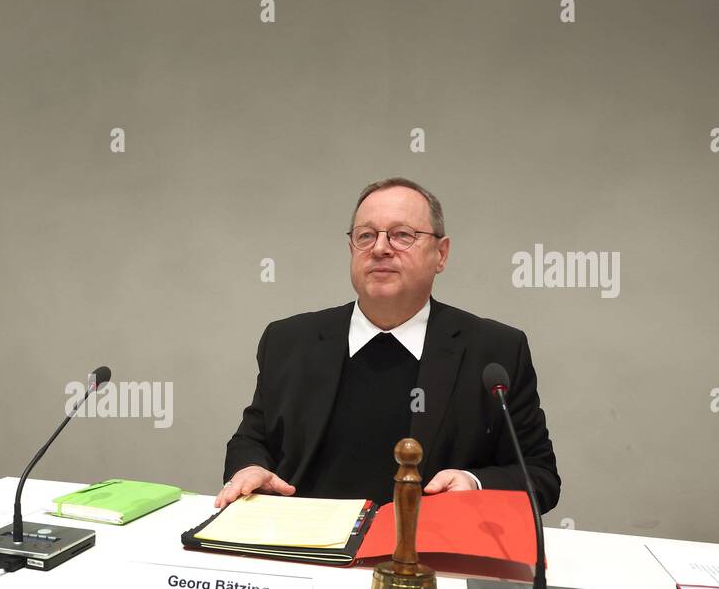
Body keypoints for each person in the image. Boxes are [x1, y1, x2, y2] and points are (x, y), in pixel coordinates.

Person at [218, 177, 559, 512]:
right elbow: (252, 440)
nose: (380, 248)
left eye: (401, 235)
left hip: (427, 556)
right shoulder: (289, 340)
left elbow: (539, 476)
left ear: (441, 254)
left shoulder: (495, 350)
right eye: (366, 236)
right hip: (308, 550)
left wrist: (472, 482)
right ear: (352, 248)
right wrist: (249, 468)